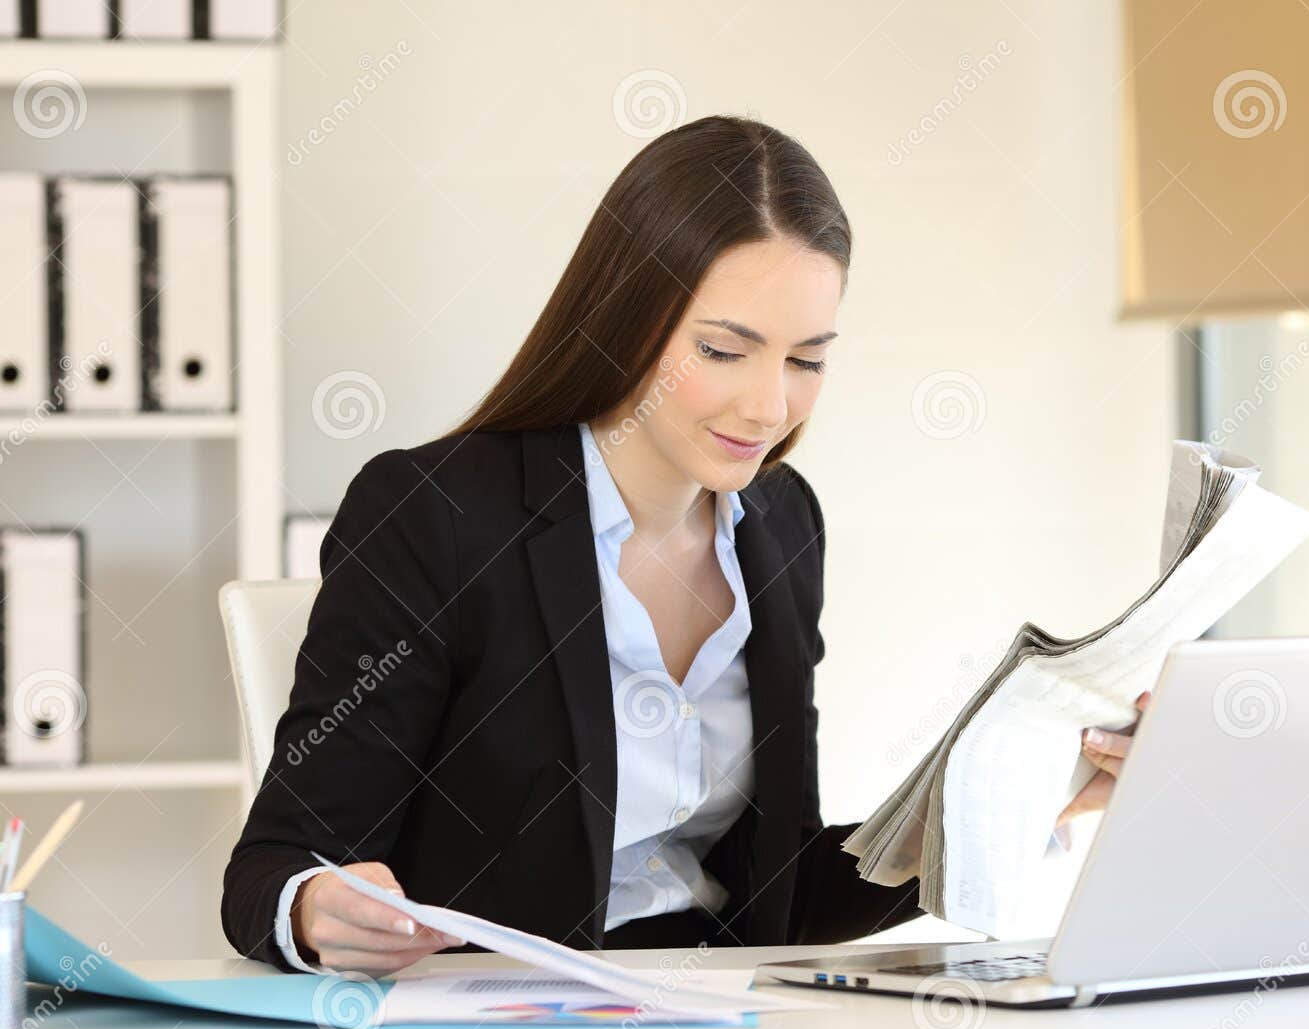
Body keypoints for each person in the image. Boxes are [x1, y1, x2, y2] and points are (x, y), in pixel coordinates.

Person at [221, 115, 1138, 975]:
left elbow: (781, 897)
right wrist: (312, 909)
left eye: (807, 358)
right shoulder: (436, 513)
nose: (769, 406)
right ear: (625, 319)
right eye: (725, 350)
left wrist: (1018, 796)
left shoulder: (781, 526)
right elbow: (274, 866)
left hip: (723, 1022)